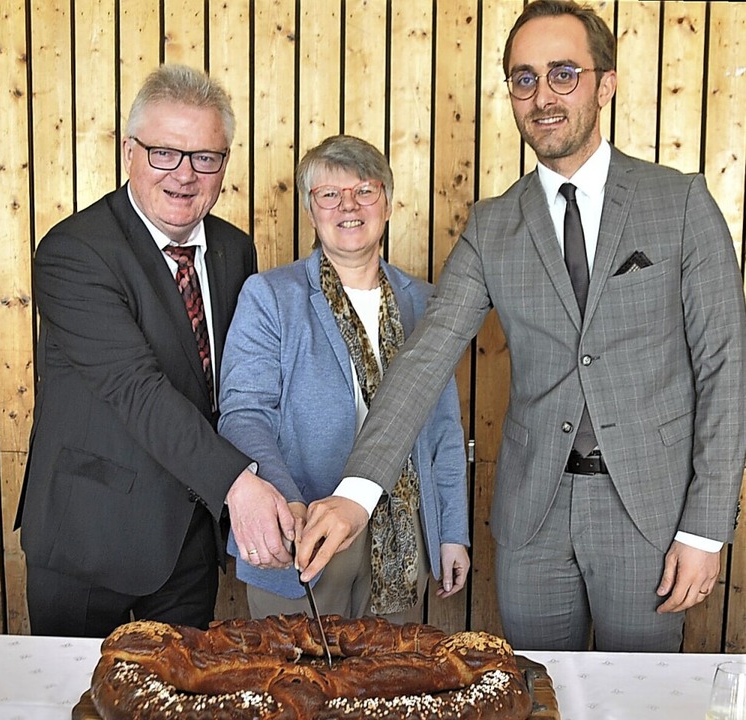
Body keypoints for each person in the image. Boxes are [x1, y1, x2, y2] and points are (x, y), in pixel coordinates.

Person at [296, 0, 746, 652]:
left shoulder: (679, 203)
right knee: (535, 693)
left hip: (649, 516)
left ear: (605, 84)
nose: (543, 95)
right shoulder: (492, 225)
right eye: (524, 77)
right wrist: (357, 493)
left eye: (564, 73)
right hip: (531, 519)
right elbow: (427, 356)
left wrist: (705, 530)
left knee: (641, 701)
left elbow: (725, 368)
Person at [15, 64, 296, 637]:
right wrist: (239, 485)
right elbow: (136, 389)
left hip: (189, 543)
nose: (185, 175)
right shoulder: (74, 252)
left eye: (205, 157)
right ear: (129, 152)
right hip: (87, 538)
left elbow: (234, 390)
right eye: (165, 152)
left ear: (224, 165)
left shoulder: (233, 250)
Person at [218, 135, 470, 623]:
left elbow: (441, 428)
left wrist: (451, 531)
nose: (348, 206)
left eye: (364, 191)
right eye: (329, 195)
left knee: (384, 687)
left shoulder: (423, 301)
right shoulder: (270, 296)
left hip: (403, 543)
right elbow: (244, 416)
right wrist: (286, 504)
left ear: (389, 204)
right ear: (311, 213)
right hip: (302, 533)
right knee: (295, 685)